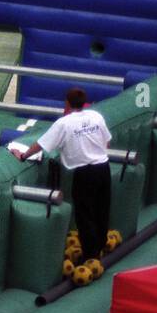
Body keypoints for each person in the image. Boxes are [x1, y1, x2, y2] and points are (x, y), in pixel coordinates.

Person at [14, 88, 112, 265]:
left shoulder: (64, 123)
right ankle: (100, 244)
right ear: (84, 102)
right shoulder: (96, 116)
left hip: (85, 172)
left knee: (85, 213)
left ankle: (91, 255)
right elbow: (107, 140)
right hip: (103, 167)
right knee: (101, 208)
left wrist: (24, 155)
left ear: (67, 103)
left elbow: (41, 144)